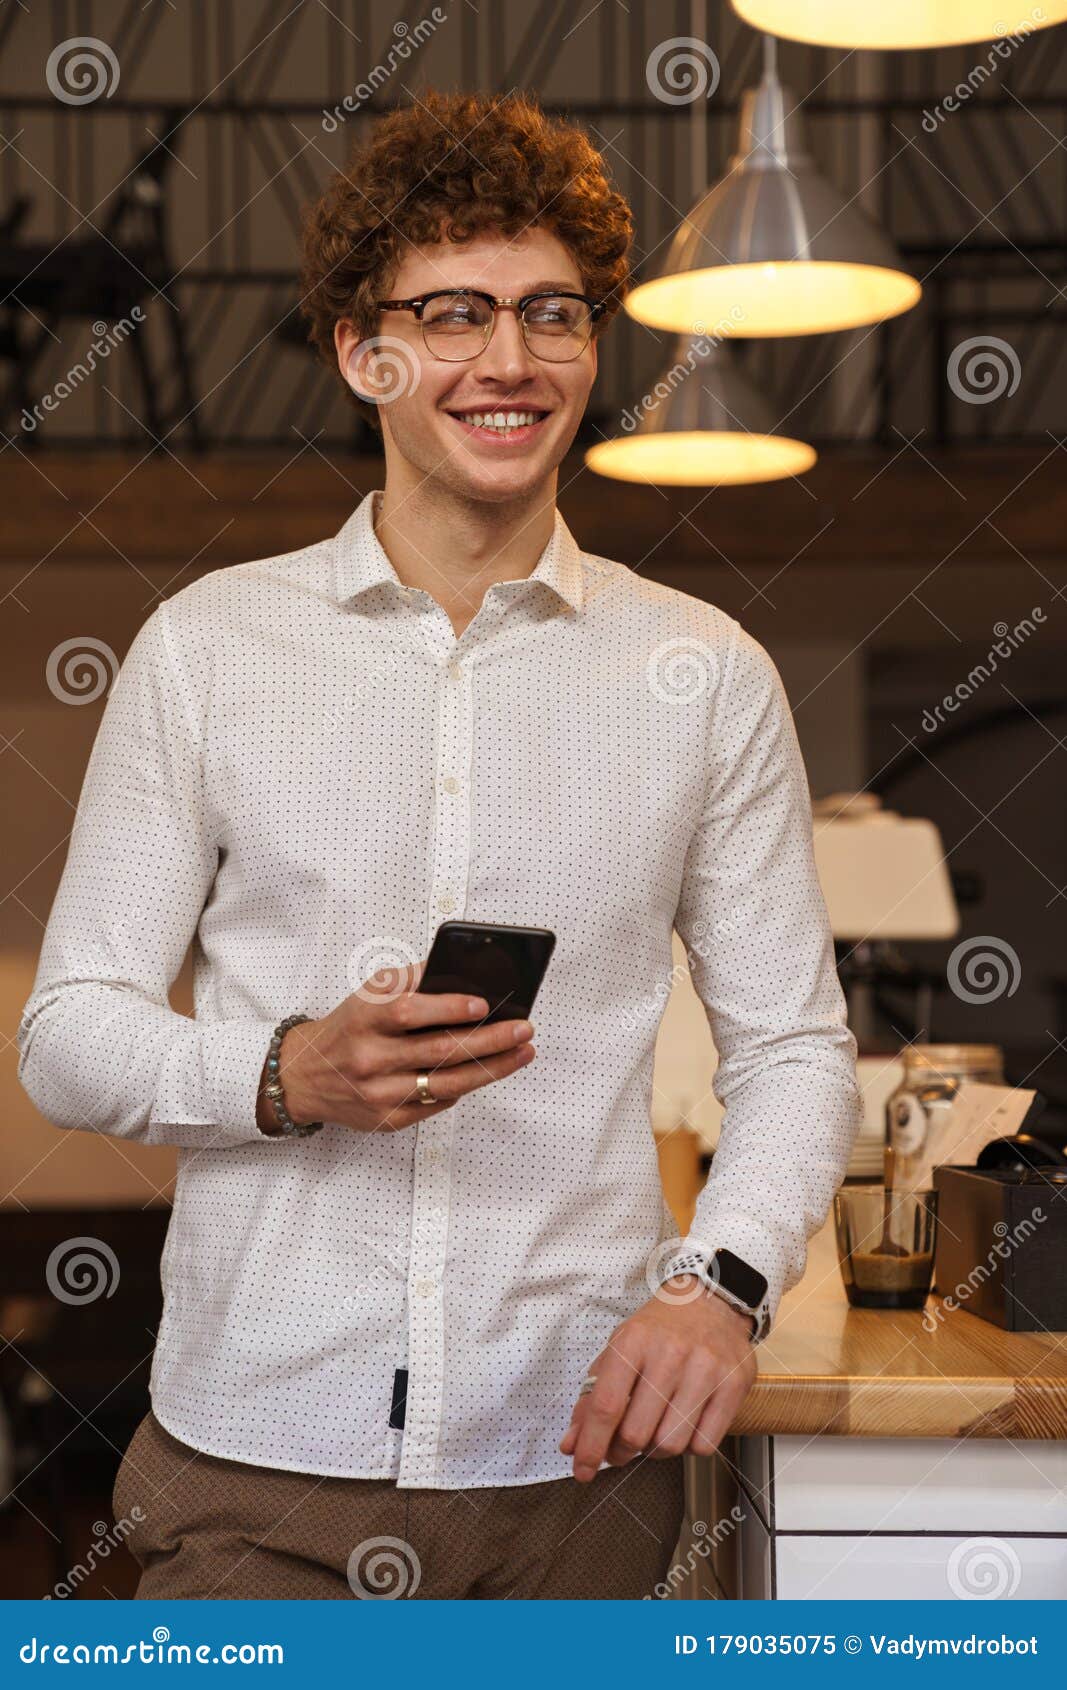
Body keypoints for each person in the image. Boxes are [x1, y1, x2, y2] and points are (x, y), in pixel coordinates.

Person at [17, 88, 861, 1601]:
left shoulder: (708, 674)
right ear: (364, 349)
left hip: (578, 1470)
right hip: (253, 1465)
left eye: (553, 314)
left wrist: (720, 1283)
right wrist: (285, 1071)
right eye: (455, 311)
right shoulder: (206, 651)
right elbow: (70, 1035)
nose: (510, 360)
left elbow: (794, 1048)